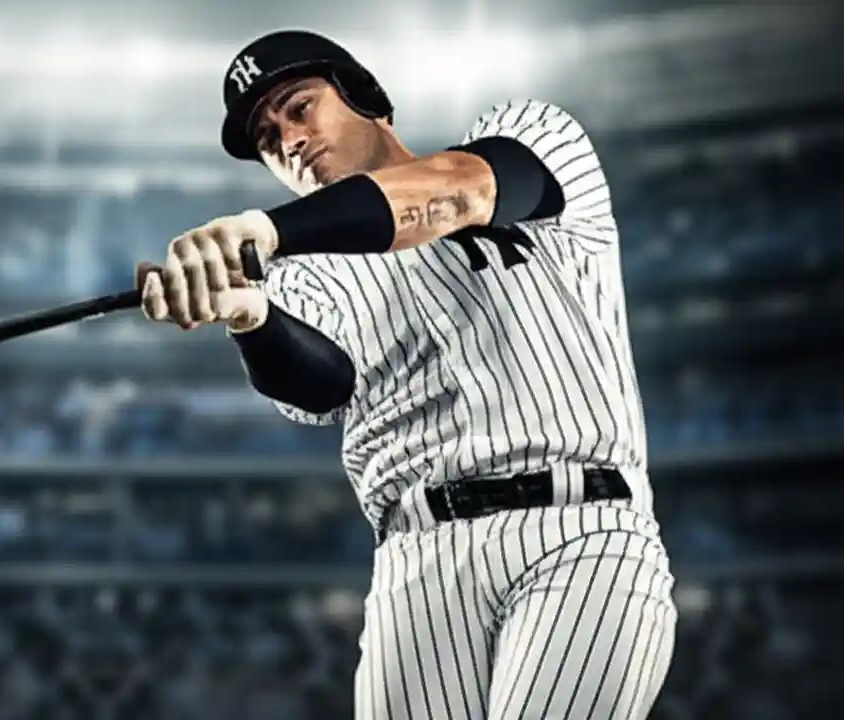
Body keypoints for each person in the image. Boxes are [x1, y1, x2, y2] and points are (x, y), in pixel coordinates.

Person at [136, 29, 677, 720]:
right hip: (414, 563)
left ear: (364, 97)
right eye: (270, 141)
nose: (289, 143)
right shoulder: (306, 279)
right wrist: (252, 317)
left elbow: (460, 192)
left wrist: (266, 231)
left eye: (300, 109)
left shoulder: (530, 133)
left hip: (578, 532)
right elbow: (322, 386)